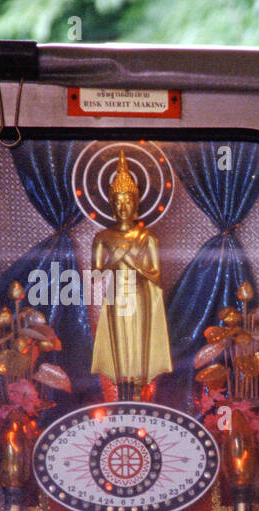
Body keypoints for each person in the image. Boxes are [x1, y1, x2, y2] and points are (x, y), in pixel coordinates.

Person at [90, 151, 172, 400]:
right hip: (116, 296)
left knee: (139, 342)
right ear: (111, 204)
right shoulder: (102, 237)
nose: (123, 206)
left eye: (128, 201)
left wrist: (132, 262)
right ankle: (120, 391)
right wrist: (116, 258)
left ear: (136, 203)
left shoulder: (147, 237)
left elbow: (157, 276)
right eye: (118, 201)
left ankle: (138, 390)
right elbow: (95, 275)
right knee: (119, 343)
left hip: (140, 296)